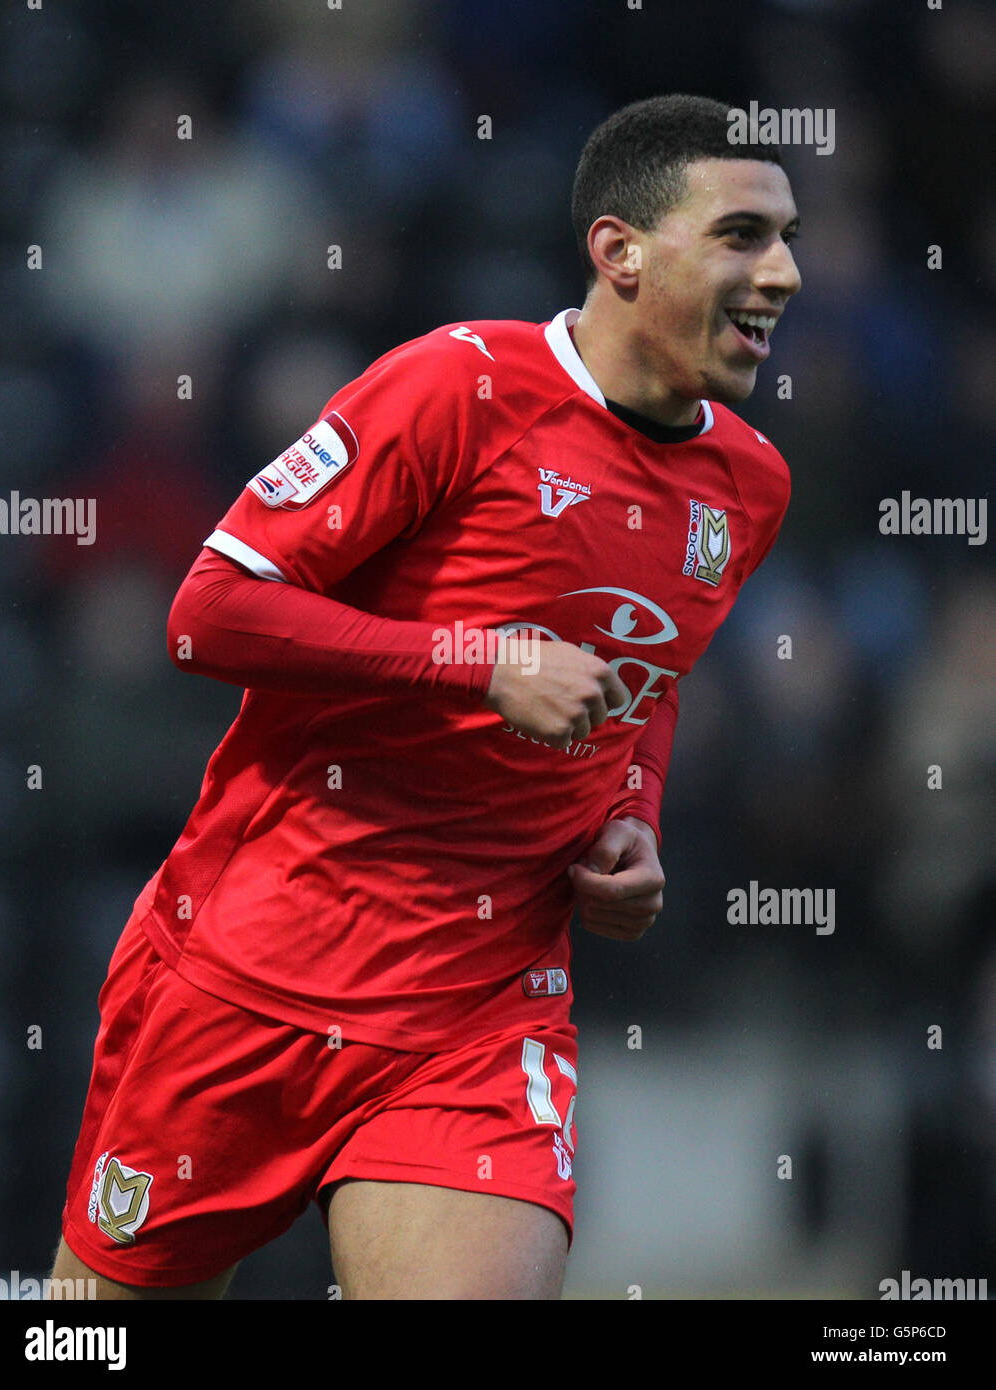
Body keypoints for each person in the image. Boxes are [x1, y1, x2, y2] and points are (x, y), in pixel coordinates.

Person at [49, 93, 801, 1300]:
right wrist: (477, 658)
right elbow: (207, 610)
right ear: (618, 252)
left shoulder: (748, 487)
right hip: (254, 969)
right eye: (742, 236)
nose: (784, 272)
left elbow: (647, 682)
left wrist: (635, 817)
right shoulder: (458, 387)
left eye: (788, 236)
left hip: (481, 1006)